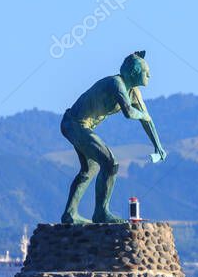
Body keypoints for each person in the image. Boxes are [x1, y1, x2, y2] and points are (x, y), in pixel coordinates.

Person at [60, 50, 167, 225]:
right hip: (74, 124)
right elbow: (129, 113)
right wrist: (144, 115)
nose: (150, 75)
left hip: (80, 126)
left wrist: (158, 146)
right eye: (146, 71)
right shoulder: (116, 83)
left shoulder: (134, 92)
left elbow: (147, 120)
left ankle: (70, 214)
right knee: (110, 163)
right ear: (133, 73)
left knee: (90, 169)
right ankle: (101, 213)